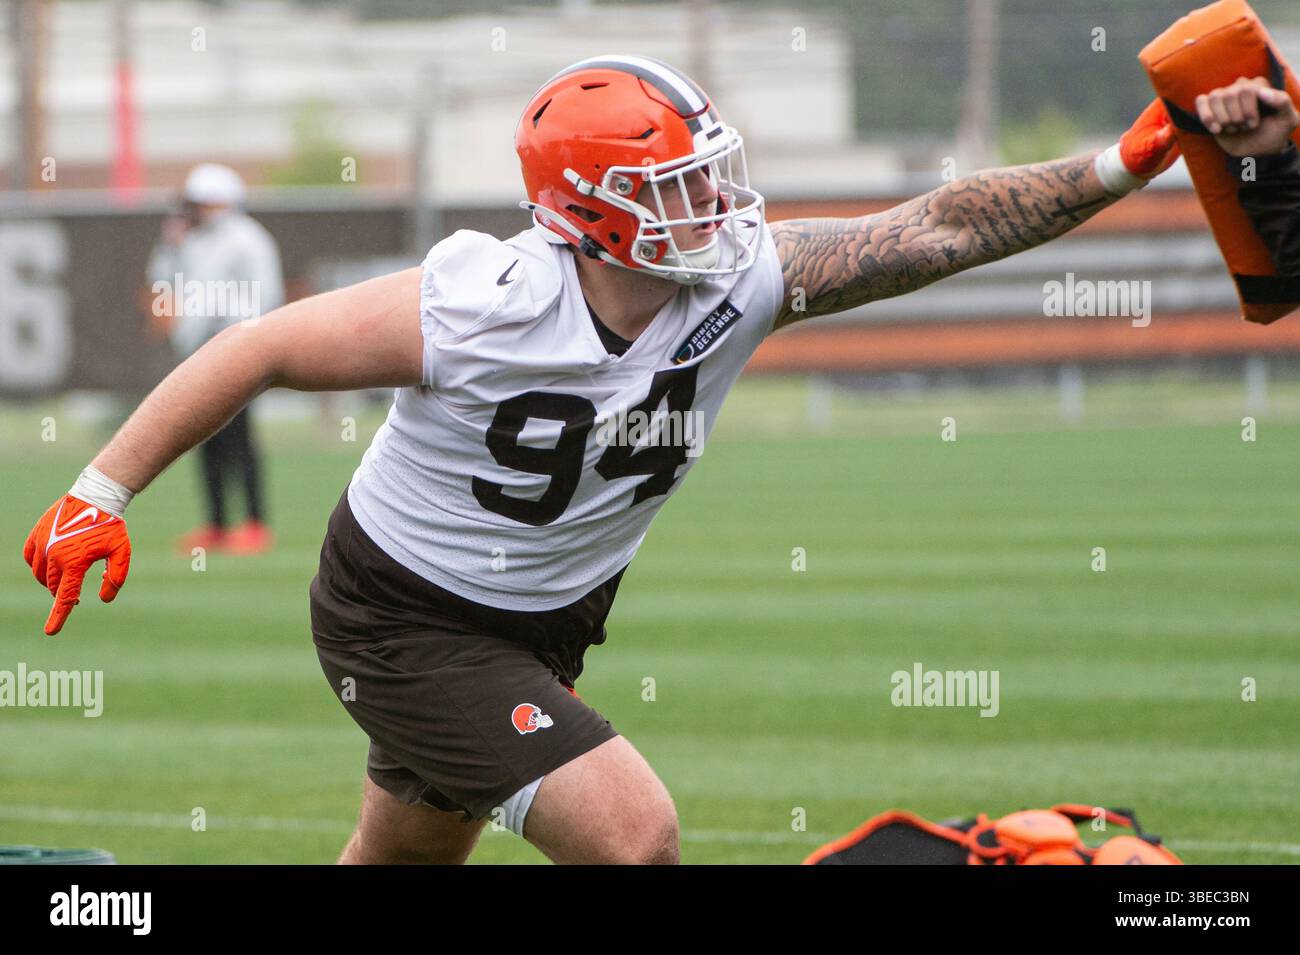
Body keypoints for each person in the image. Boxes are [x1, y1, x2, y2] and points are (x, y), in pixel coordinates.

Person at [23, 58, 1297, 864]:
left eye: (708, 178)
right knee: (633, 835)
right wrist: (101, 490)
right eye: (679, 190)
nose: (715, 209)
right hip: (406, 616)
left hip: (549, 615)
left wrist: (1134, 156)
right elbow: (253, 347)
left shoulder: (737, 280)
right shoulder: (482, 300)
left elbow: (936, 228)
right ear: (587, 216)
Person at [146, 163, 284, 555]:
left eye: (200, 203)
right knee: (204, 436)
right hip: (199, 350)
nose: (192, 211)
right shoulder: (190, 241)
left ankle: (255, 523)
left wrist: (246, 340)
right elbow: (163, 283)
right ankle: (218, 524)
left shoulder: (248, 239)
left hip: (236, 348)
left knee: (239, 436)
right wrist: (169, 245)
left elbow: (265, 292)